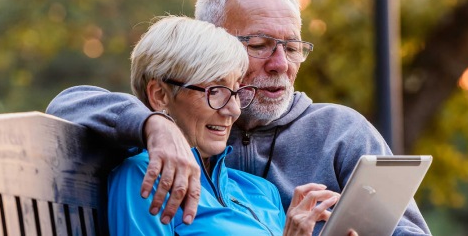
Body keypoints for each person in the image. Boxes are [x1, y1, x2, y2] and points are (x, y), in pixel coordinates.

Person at [46, 0, 431, 234]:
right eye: (261, 45)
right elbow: (70, 103)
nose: (281, 64)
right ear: (212, 41)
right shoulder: (181, 125)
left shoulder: (340, 132)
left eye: (293, 47)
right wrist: (155, 126)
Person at [109, 15, 340, 235]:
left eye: (236, 92)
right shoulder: (144, 175)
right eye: (215, 91)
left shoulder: (261, 191)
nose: (234, 110)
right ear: (160, 95)